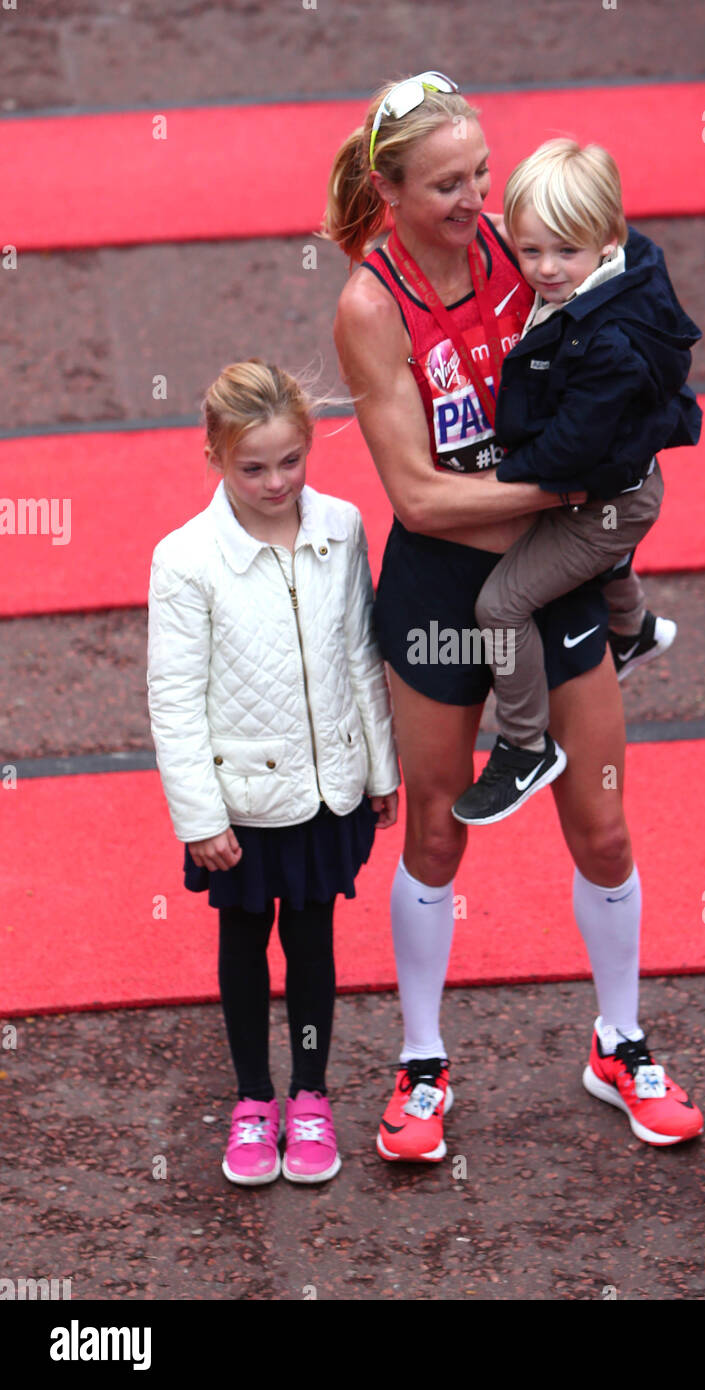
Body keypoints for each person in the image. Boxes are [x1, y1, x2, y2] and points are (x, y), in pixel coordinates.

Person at [324, 71, 703, 1160]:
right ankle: (423, 1060)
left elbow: (634, 294)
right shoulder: (368, 305)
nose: (477, 199)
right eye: (447, 184)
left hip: (554, 576)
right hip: (445, 585)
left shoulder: (524, 245)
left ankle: (619, 1043)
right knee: (438, 830)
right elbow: (422, 498)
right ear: (387, 189)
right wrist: (579, 487)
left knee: (605, 824)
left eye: (481, 174)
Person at [146, 358, 400, 1186]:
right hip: (243, 806)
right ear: (214, 456)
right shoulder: (185, 560)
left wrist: (380, 767)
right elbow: (174, 700)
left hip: (330, 789)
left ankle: (313, 1098)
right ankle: (255, 1102)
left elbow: (362, 657)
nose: (276, 481)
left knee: (315, 940)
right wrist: (200, 817)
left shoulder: (343, 526)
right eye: (252, 466)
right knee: (245, 941)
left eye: (291, 460)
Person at [452, 138, 702, 826]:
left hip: (604, 502)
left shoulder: (607, 345)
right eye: (529, 251)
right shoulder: (627, 259)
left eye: (564, 252)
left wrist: (499, 466)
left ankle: (526, 744)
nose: (544, 269)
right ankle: (635, 627)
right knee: (602, 553)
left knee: (501, 606)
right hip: (629, 482)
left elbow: (570, 452)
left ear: (605, 238)